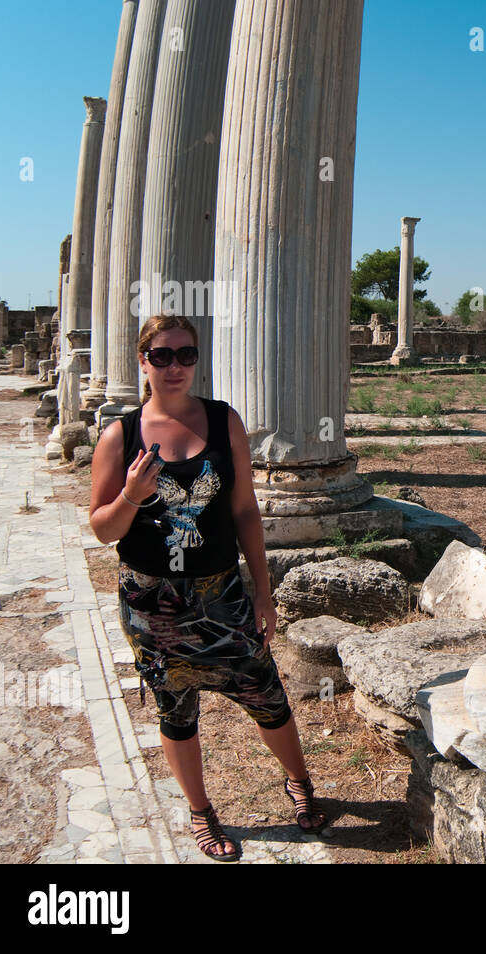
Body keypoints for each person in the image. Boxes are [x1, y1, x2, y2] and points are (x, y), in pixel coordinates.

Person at [88, 314, 326, 862]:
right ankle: (201, 810)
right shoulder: (119, 436)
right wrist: (129, 495)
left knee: (267, 695)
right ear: (142, 360)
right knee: (175, 710)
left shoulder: (222, 422)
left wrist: (263, 593)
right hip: (152, 603)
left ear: (198, 360)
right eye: (163, 356)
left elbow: (244, 509)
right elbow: (103, 529)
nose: (176, 367)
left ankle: (299, 781)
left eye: (187, 355)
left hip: (221, 594)